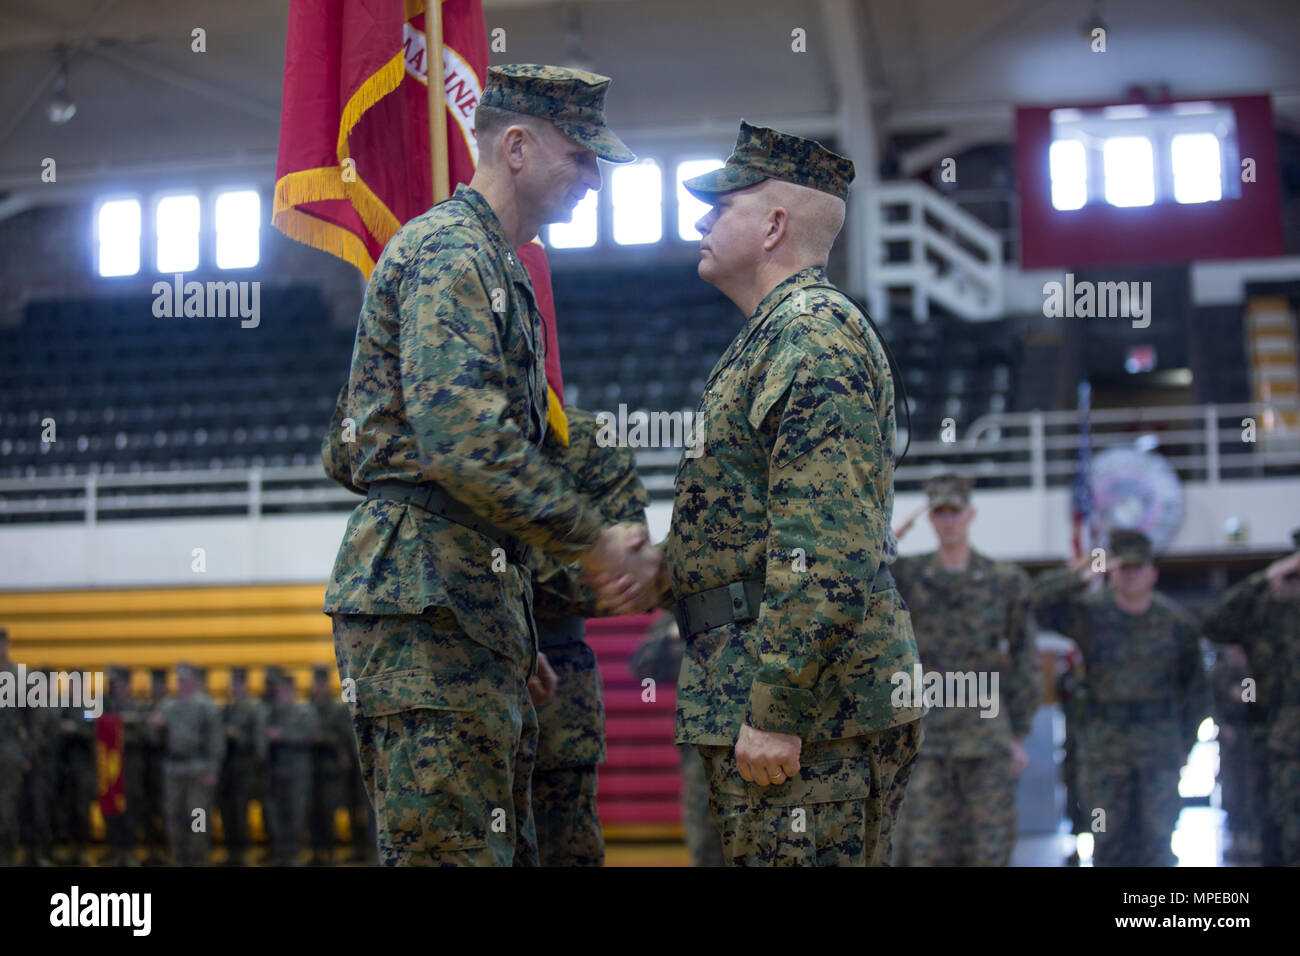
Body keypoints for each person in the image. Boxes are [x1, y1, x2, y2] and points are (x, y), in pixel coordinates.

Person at [321, 64, 658, 866]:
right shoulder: (451, 253)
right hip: (426, 604)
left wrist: (505, 627)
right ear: (516, 146)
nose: (592, 183)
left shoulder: (496, 267)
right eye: (581, 159)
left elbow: (351, 440)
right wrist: (591, 537)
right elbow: (461, 440)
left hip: (462, 605)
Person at [648, 121, 925, 866]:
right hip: (769, 699)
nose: (703, 220)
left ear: (774, 226)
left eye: (721, 205)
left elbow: (825, 550)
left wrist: (778, 709)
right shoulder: (772, 336)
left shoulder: (810, 338)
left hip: (811, 718)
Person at [1030, 529, 1207, 866]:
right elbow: (1036, 601)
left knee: (1159, 839)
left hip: (1160, 751)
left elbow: (1196, 691)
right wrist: (1084, 571)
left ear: (1152, 572)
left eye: (1137, 567)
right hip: (1104, 752)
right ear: (1112, 570)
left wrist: (1186, 745)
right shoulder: (1090, 613)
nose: (1130, 575)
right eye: (1123, 567)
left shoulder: (1175, 623)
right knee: (1107, 839)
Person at [891, 473, 1040, 866]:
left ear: (970, 514)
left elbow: (1025, 658)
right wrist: (896, 532)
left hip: (987, 737)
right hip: (927, 740)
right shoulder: (910, 576)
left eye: (954, 511)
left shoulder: (1004, 581)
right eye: (939, 512)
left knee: (988, 850)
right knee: (925, 851)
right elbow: (865, 569)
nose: (948, 521)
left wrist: (1020, 733)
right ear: (931, 518)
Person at [527, 406, 649, 866]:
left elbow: (625, 580)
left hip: (558, 686)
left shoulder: (590, 438)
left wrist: (502, 578)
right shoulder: (445, 418)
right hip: (455, 669)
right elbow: (342, 457)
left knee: (565, 850)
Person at [1202, 528, 1300, 866]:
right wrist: (1265, 579)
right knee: (1278, 838)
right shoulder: (1266, 613)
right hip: (1277, 748)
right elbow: (1215, 624)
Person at [629, 613, 725, 867]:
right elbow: (643, 667)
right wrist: (673, 636)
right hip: (702, 752)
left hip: (767, 740)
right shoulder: (685, 607)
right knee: (708, 845)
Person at [152, 663, 225, 866]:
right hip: (173, 767)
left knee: (198, 815)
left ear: (194, 680)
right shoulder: (167, 706)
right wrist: (157, 727)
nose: (181, 683)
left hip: (198, 767)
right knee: (174, 814)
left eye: (185, 679)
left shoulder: (206, 706)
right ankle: (178, 855)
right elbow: (155, 741)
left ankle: (198, 855)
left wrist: (213, 768)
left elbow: (215, 740)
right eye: (179, 679)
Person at [1208, 644, 1260, 863]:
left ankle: (1252, 836)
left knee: (1252, 785)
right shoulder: (1219, 673)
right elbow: (1210, 702)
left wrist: (1245, 695)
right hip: (1229, 739)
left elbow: (1254, 701)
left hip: (1251, 735)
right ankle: (1236, 835)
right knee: (1231, 786)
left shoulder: (1254, 670)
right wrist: (1221, 725)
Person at [263, 673, 318, 866]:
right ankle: (280, 852)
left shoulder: (304, 711)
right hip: (275, 769)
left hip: (297, 769)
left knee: (297, 811)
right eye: (279, 691)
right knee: (276, 813)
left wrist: (283, 735)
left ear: (293, 691)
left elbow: (311, 736)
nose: (281, 695)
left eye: (285, 690)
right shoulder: (270, 712)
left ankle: (294, 853)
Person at [219, 667, 266, 866]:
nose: (235, 688)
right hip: (226, 769)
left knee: (241, 813)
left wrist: (236, 735)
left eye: (239, 684)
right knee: (226, 813)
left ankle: (243, 853)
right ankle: (231, 852)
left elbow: (257, 741)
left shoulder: (253, 710)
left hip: (244, 767)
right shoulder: (225, 709)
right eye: (233, 684)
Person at [309, 666, 354, 866]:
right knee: (314, 814)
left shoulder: (337, 709)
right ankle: (317, 852)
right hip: (312, 768)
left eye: (321, 683)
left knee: (329, 812)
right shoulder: (309, 707)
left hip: (331, 769)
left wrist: (323, 738)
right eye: (316, 683)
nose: (318, 687)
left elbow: (343, 737)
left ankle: (330, 853)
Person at [0, 629, 26, 866]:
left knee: (9, 804)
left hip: (10, 747)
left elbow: (31, 717)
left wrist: (26, 751)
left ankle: (8, 854)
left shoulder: (19, 675)